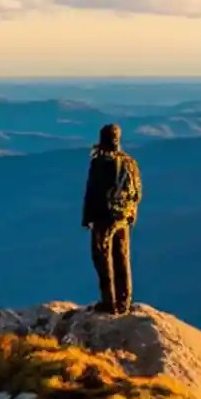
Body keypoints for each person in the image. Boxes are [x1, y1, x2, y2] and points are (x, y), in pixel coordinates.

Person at [81, 123, 142, 315]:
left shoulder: (100, 162)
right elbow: (138, 192)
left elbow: (92, 192)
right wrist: (131, 213)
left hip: (103, 219)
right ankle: (124, 301)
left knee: (102, 257)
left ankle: (109, 303)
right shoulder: (130, 162)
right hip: (124, 217)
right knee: (122, 257)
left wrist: (87, 218)